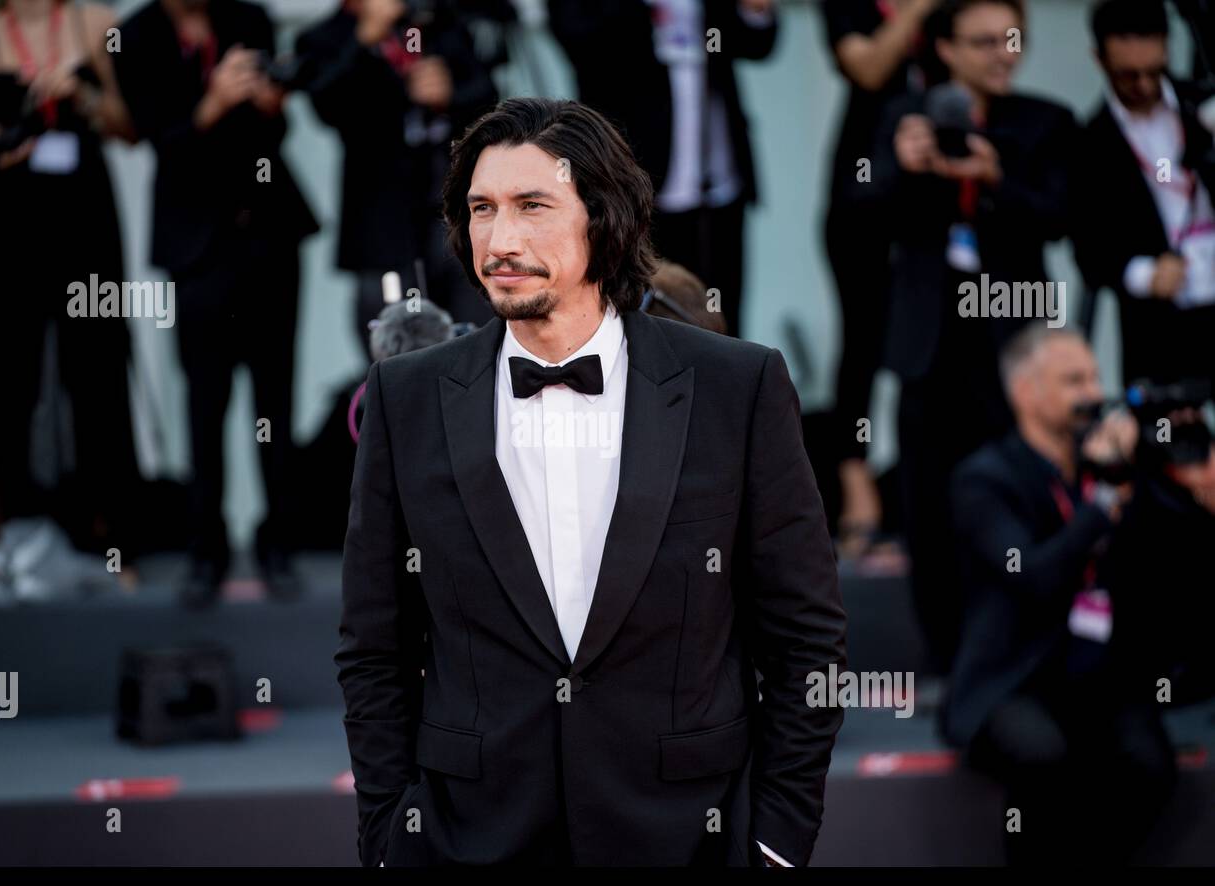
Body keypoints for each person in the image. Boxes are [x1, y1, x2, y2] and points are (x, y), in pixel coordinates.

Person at [338, 98, 846, 867]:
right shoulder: (406, 399)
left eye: (532, 207)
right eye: (481, 209)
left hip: (691, 839)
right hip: (467, 840)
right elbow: (374, 648)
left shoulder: (736, 387)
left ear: (603, 216)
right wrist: (386, 836)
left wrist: (775, 841)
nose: (500, 239)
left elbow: (807, 639)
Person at [873, 0, 1076, 670]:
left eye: (1012, 39)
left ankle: (1020, 647)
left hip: (1012, 342)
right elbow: (860, 215)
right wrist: (901, 165)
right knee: (928, 503)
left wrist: (995, 180)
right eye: (983, 41)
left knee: (1017, 494)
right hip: (931, 339)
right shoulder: (906, 116)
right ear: (946, 49)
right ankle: (944, 652)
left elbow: (1059, 217)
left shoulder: (1046, 122)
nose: (1002, 53)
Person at [944, 325, 1176, 865]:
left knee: (1150, 764)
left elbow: (1160, 562)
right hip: (1013, 677)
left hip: (1097, 674)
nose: (1093, 393)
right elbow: (1032, 575)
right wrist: (1100, 507)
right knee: (1044, 757)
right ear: (1027, 392)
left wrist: (1131, 479)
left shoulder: (1105, 470)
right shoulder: (984, 479)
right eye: (1074, 380)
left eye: (1095, 377)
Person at [114, 0, 318, 607]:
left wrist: (270, 105)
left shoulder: (248, 19)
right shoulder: (135, 36)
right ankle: (207, 549)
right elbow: (156, 137)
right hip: (196, 246)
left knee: (274, 395)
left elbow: (277, 131)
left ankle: (277, 543)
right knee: (205, 399)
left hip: (267, 230)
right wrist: (212, 102)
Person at [0, 0, 141, 557]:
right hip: (11, 221)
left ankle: (110, 533)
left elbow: (131, 128)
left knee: (97, 366)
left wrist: (84, 97)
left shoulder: (99, 25)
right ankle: (10, 535)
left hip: (86, 217)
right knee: (11, 374)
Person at [547, 0, 779, 338]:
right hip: (633, 177)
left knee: (719, 309)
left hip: (715, 175)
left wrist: (753, 11)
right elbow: (580, 39)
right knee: (640, 313)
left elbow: (753, 43)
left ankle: (729, 386)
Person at [295, 0, 498, 361]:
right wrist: (362, 42)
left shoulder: (433, 22)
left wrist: (449, 96)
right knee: (391, 346)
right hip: (381, 221)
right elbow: (327, 106)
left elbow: (488, 96)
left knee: (473, 334)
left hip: (447, 207)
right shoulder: (326, 36)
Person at [821, 0, 938, 557]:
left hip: (937, 189)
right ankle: (856, 489)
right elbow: (867, 67)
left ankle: (929, 495)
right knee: (862, 339)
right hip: (863, 189)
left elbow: (1005, 34)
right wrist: (915, 13)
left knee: (936, 339)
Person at [1073, 0, 1215, 392]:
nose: (1145, 86)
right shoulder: (1090, 142)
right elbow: (1088, 252)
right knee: (1166, 437)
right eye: (1128, 75)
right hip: (1159, 326)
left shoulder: (1201, 104)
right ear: (1098, 59)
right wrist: (1143, 275)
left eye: (1155, 70)